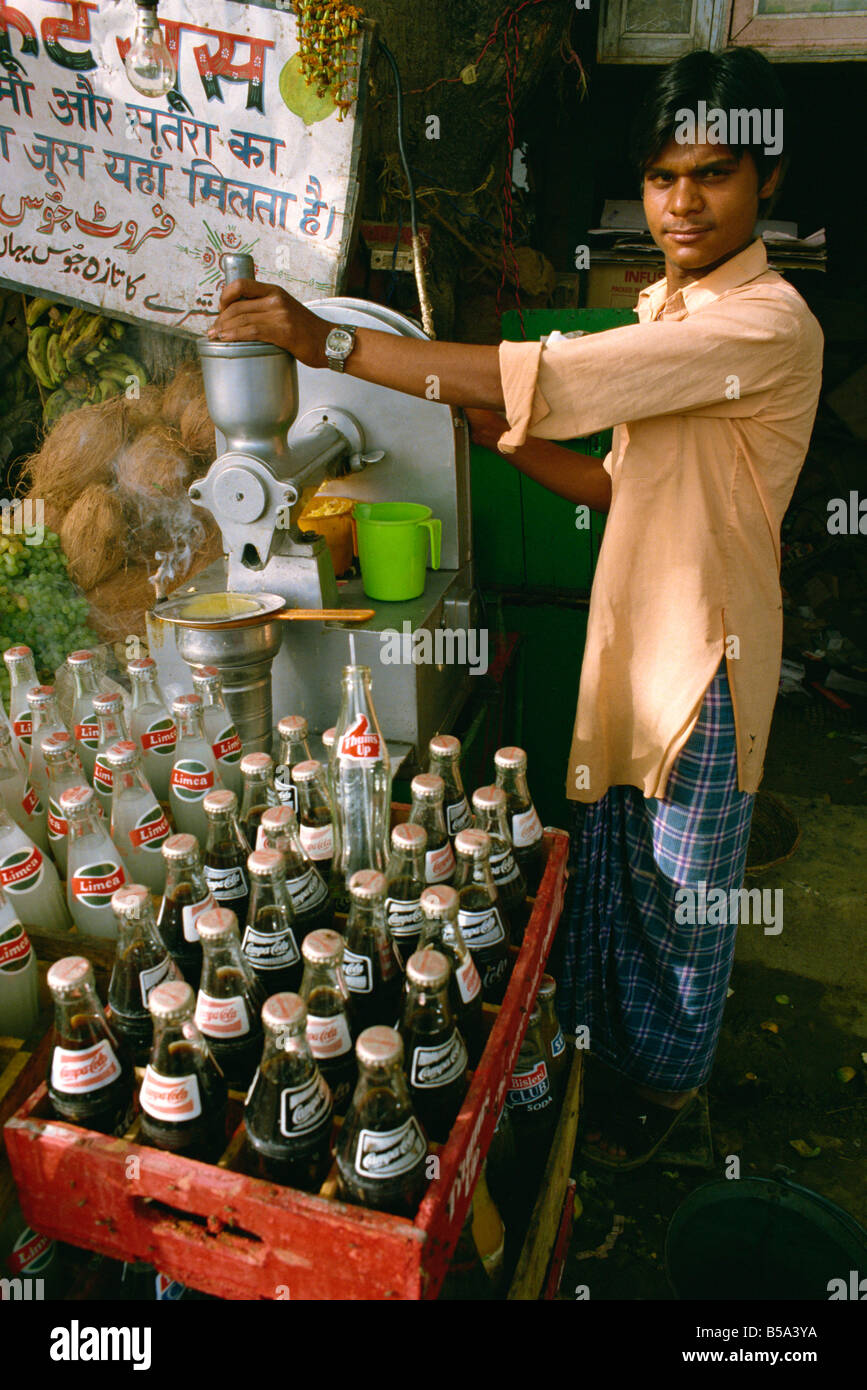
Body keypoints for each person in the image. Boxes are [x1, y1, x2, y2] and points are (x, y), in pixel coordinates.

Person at [210, 47, 823, 1169]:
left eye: (714, 174)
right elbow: (618, 481)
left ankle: (668, 1106)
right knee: (613, 879)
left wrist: (330, 342)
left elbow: (544, 368)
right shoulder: (667, 304)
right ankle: (603, 1066)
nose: (681, 203)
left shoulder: (763, 325)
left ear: (768, 181)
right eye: (660, 177)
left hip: (706, 668)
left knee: (685, 911)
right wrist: (515, 439)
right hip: (632, 645)